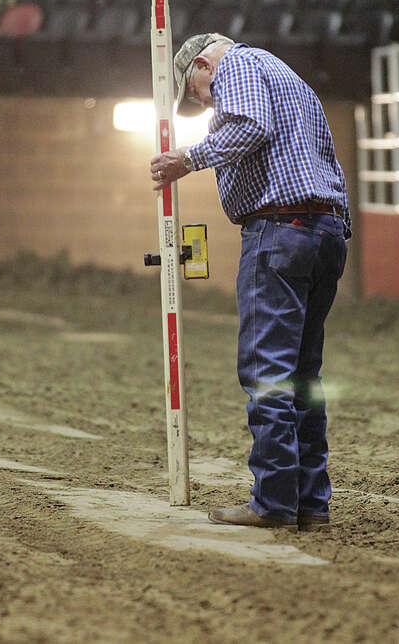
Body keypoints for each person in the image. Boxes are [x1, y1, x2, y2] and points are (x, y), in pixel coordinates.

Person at [148, 33, 351, 531]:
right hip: (323, 229)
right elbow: (325, 158)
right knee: (305, 375)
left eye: (196, 91)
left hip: (279, 229)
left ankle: (274, 501)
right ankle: (310, 503)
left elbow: (250, 126)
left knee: (268, 369)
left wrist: (188, 159)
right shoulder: (291, 79)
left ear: (201, 64)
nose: (204, 100)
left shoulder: (236, 66)